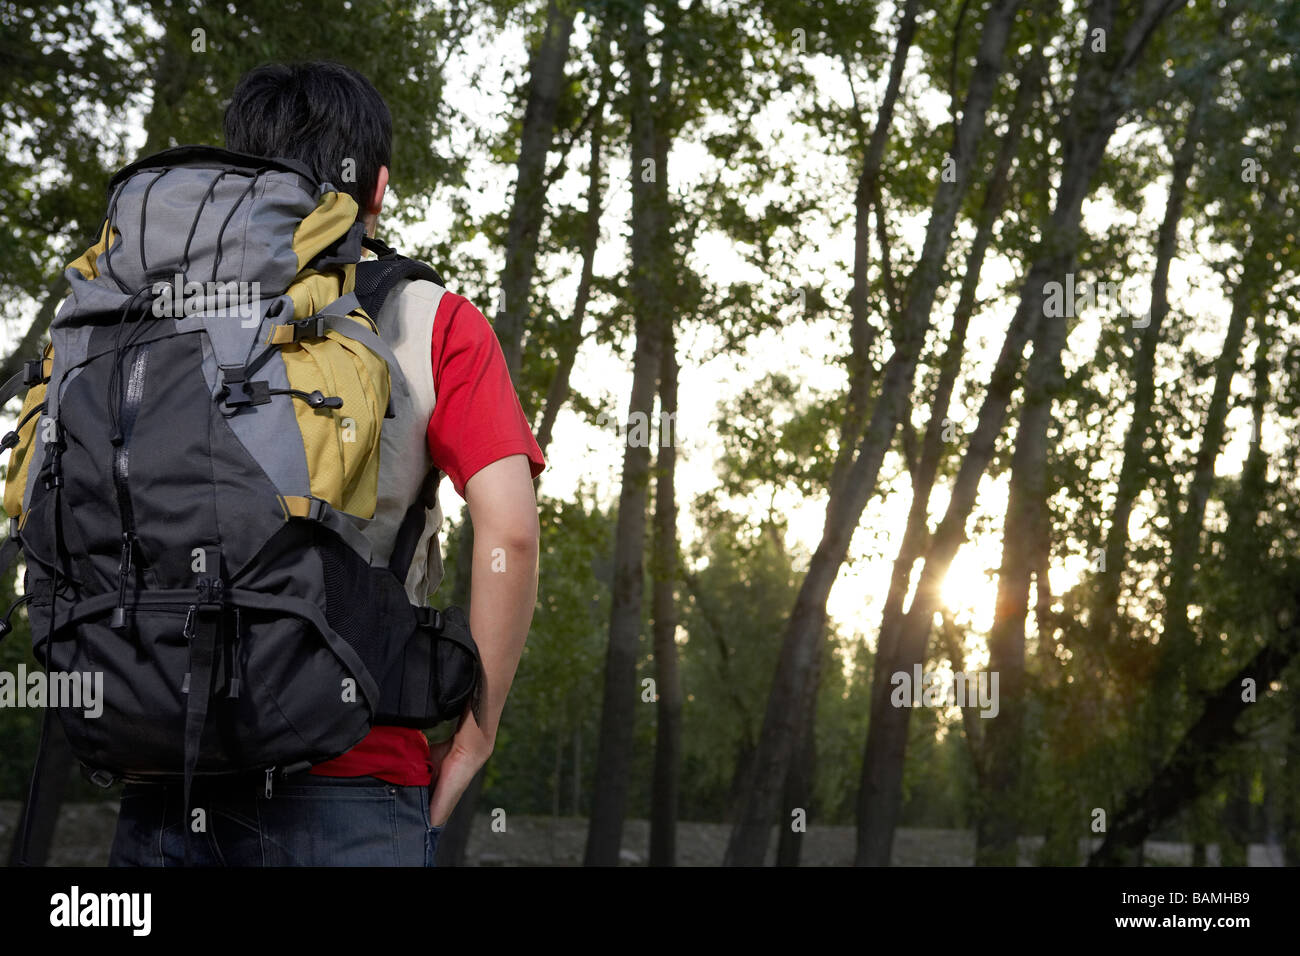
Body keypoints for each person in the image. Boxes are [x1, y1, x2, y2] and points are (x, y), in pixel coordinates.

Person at [107, 61, 544, 866]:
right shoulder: (430, 319)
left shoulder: (141, 313)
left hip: (165, 766)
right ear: (376, 188)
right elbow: (509, 536)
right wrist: (476, 735)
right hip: (356, 778)